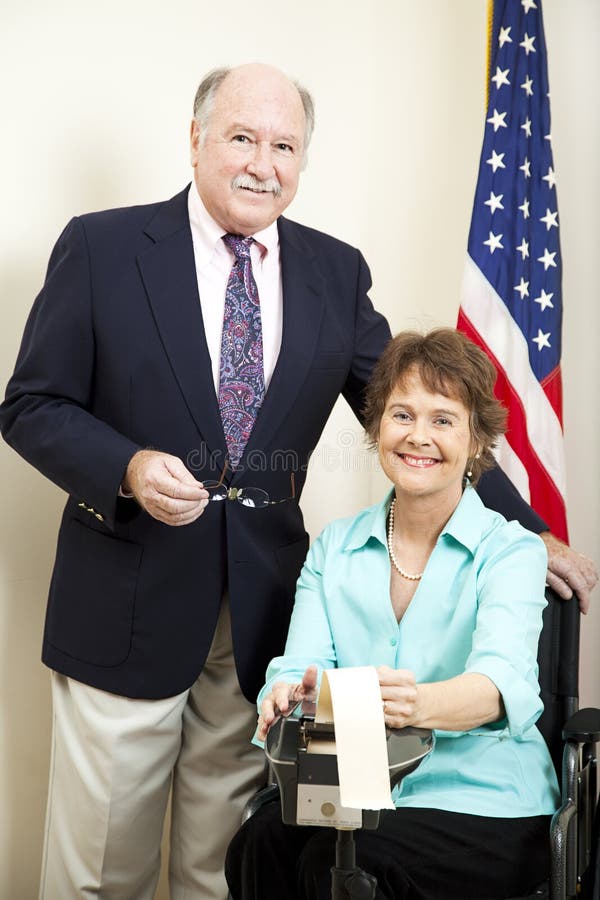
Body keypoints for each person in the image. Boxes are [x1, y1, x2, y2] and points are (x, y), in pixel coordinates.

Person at [0, 64, 594, 900]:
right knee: (102, 868)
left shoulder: (333, 271)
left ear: (302, 159)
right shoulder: (101, 247)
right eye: (242, 137)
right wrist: (127, 468)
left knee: (224, 862)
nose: (262, 162)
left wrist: (525, 528)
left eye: (284, 145)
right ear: (198, 139)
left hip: (262, 615)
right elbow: (32, 404)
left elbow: (415, 413)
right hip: (127, 600)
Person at [225, 328, 561, 900]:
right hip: (349, 782)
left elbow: (500, 685)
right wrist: (283, 693)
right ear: (378, 424)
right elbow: (299, 664)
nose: (418, 437)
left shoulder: (511, 549)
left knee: (353, 866)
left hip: (482, 798)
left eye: (443, 420)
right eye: (402, 414)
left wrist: (415, 706)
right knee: (257, 844)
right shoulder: (333, 547)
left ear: (478, 439)